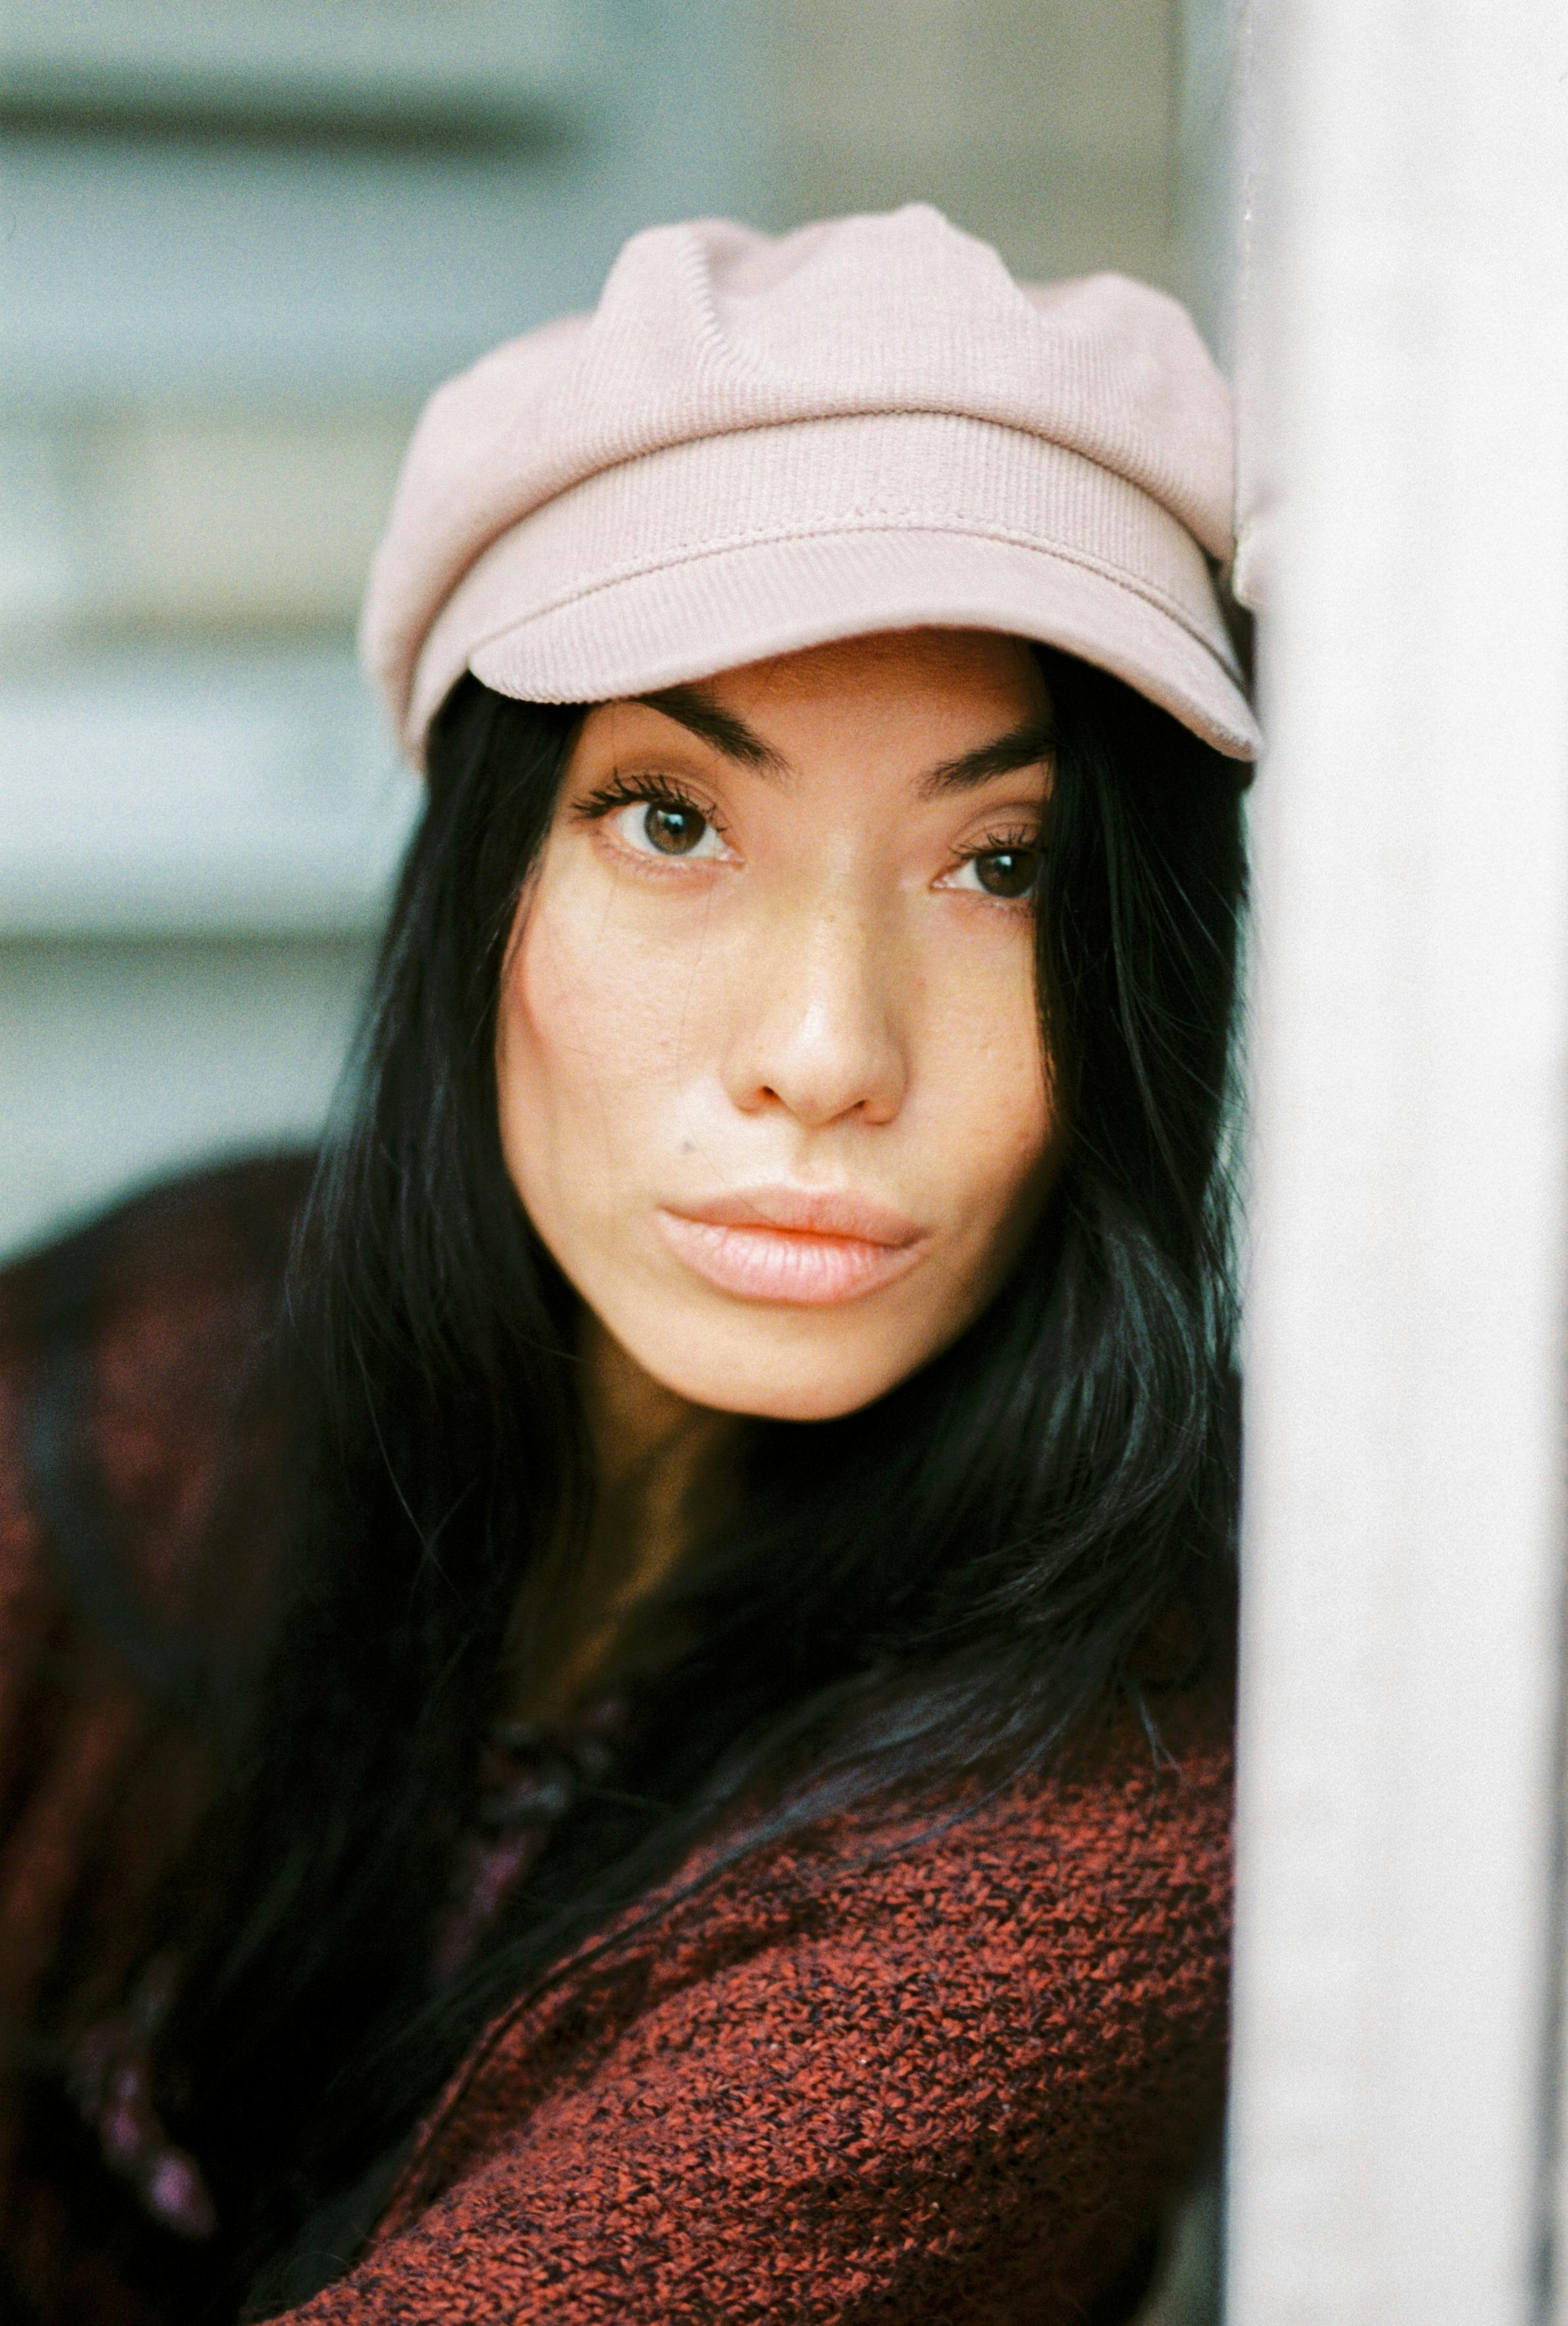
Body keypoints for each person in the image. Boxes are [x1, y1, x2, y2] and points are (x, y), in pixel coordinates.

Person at [0, 206, 1257, 2325]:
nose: (827, 1054)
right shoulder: (185, 1338)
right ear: (476, 879)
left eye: (1004, 865)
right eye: (673, 819)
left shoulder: (1078, 1837)